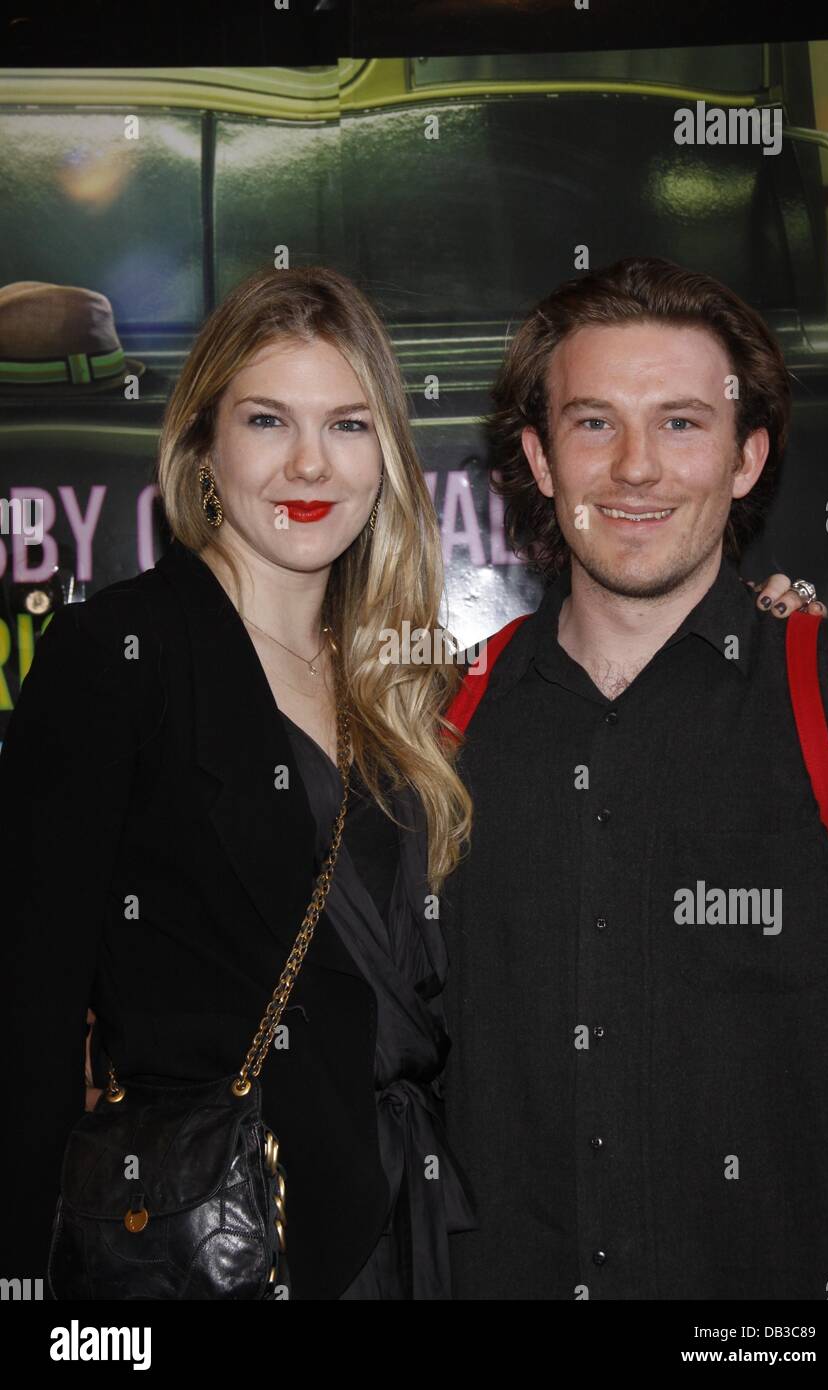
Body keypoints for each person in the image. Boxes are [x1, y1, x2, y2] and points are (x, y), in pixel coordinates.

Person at [0, 264, 477, 1300]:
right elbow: (27, 1017)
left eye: (349, 425)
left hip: (409, 1224)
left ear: (387, 455)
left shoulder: (405, 673)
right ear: (205, 442)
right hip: (216, 1241)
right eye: (268, 419)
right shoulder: (117, 655)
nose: (310, 463)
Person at [441, 255, 828, 1301]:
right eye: (592, 423)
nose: (635, 467)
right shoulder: (442, 725)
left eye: (680, 422)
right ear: (539, 459)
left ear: (745, 457)